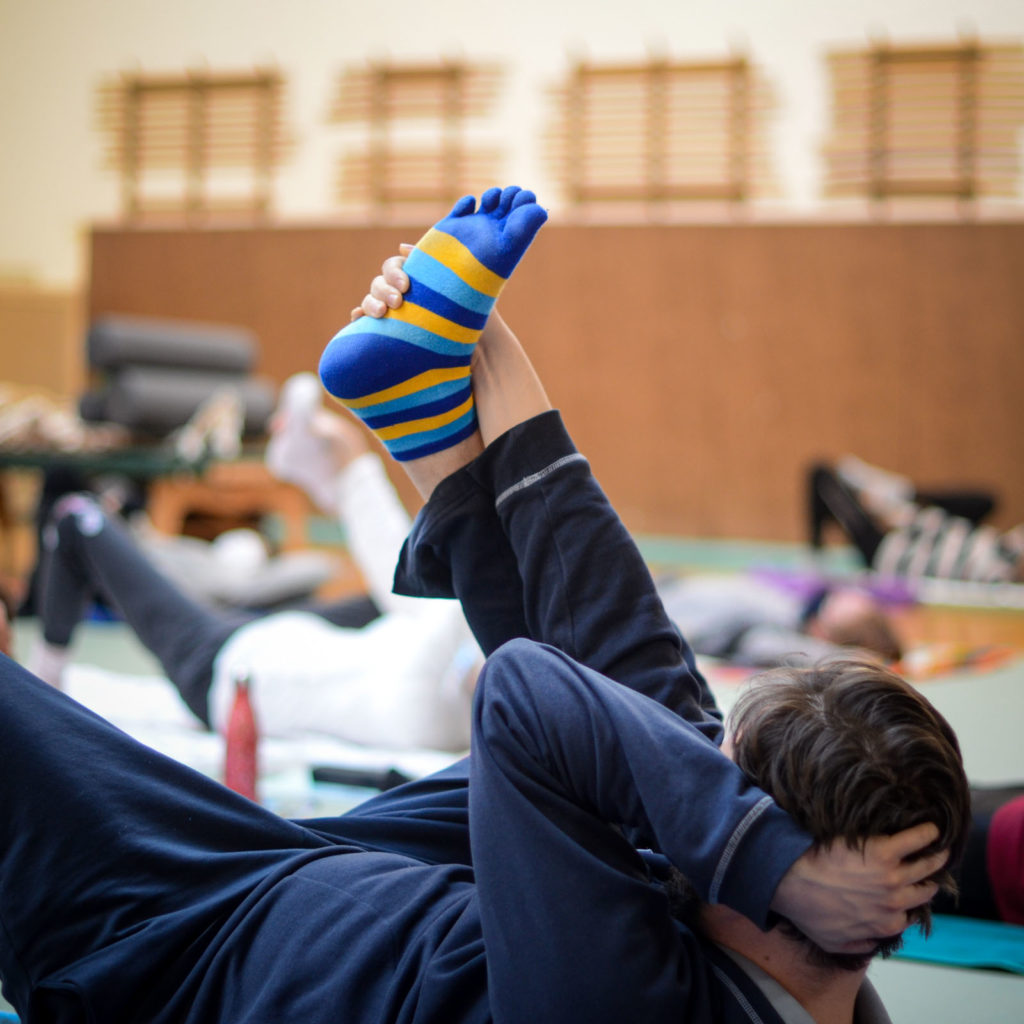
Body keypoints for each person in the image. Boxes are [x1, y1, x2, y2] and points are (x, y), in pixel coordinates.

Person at [0, 186, 966, 1024]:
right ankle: (433, 421)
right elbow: (639, 694)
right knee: (656, 736)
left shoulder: (630, 1001)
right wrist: (477, 342)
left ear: (794, 885)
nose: (701, 756)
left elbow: (531, 695)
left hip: (169, 938)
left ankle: (435, 432)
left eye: (726, 781)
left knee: (653, 752)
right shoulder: (807, 986)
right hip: (262, 865)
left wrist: (766, 857)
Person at [27, 386, 480, 752]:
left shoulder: (434, 688)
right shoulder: (458, 683)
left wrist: (350, 455)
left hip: (221, 664)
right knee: (403, 596)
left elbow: (411, 572)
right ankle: (326, 476)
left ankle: (42, 683)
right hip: (292, 635)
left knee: (77, 518)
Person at [809, 459, 1024, 584]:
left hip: (895, 555)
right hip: (939, 529)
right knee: (986, 501)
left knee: (822, 477)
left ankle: (894, 493)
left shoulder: (999, 580)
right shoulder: (1009, 548)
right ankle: (901, 492)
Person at [657, 572, 903, 667]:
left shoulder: (775, 632)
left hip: (667, 606)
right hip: (669, 596)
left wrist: (872, 661)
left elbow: (763, 647)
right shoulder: (786, 609)